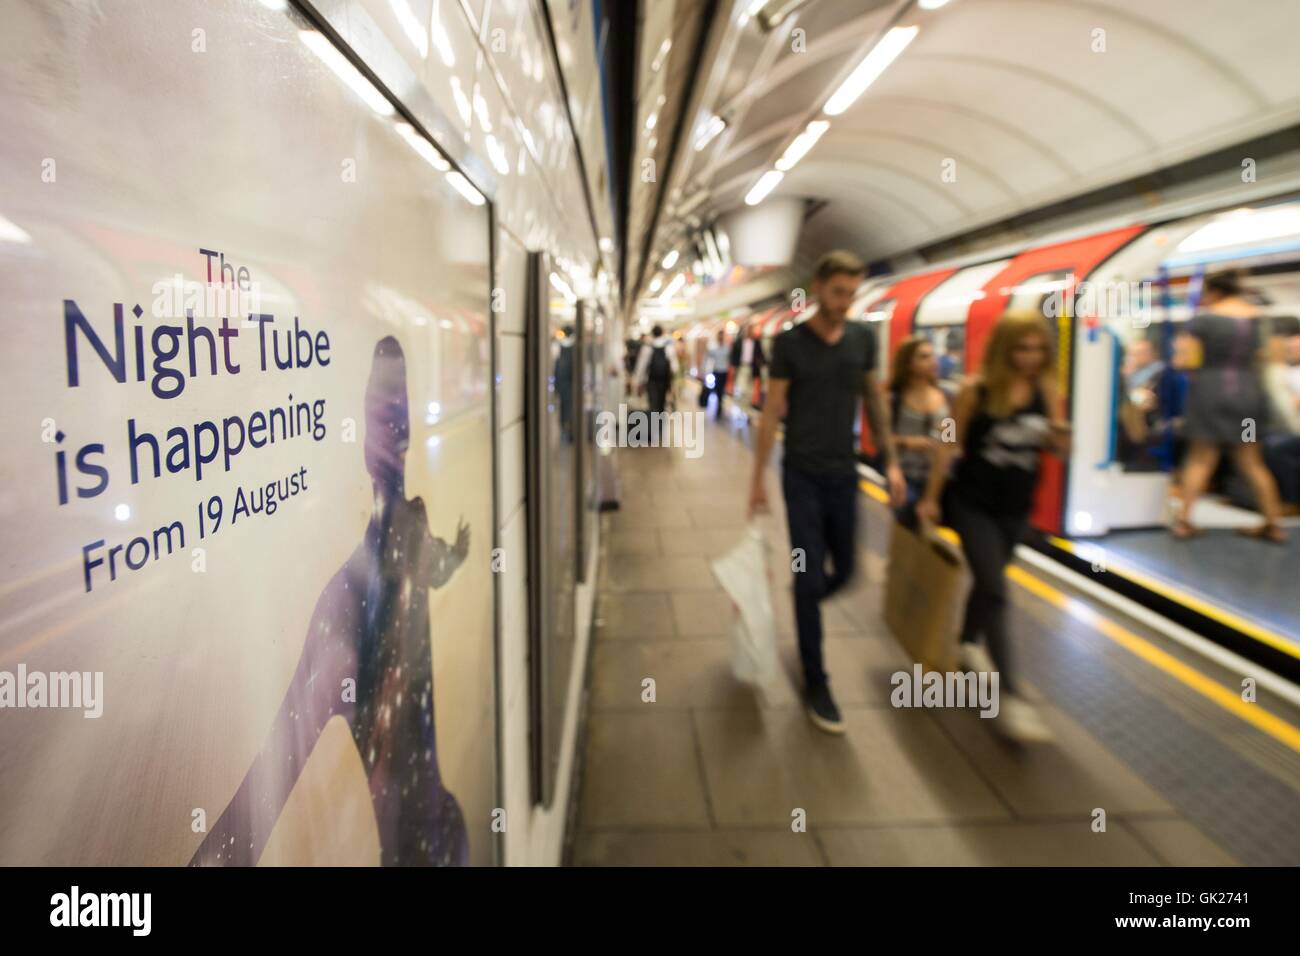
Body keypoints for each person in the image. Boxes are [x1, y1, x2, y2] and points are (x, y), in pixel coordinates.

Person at [191, 336, 472, 865]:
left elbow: (265, 789)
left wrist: (454, 554)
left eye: (397, 421)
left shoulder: (392, 544)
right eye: (390, 420)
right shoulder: (352, 596)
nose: (398, 436)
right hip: (423, 832)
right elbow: (266, 786)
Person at [749, 250, 906, 735]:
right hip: (800, 474)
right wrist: (757, 477)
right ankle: (817, 680)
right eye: (838, 293)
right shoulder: (790, 343)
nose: (844, 303)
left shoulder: (862, 338)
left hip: (845, 473)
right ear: (818, 288)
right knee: (809, 566)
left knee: (849, 568)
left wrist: (893, 461)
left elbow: (874, 399)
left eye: (851, 294)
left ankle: (806, 596)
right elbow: (773, 410)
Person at [916, 312, 1070, 744]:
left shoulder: (1046, 390)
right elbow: (948, 439)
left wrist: (1061, 436)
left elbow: (1057, 447)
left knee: (987, 584)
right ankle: (1012, 696)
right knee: (997, 588)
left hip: (1016, 509)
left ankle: (967, 643)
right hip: (973, 504)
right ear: (1004, 349)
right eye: (1022, 348)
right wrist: (930, 496)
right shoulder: (974, 391)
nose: (1031, 357)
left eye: (1038, 349)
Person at [1170, 271, 1286, 543]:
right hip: (1248, 397)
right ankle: (1273, 524)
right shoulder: (1257, 318)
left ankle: (1184, 521)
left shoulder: (1203, 320)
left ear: (1213, 292)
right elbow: (1268, 355)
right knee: (1251, 460)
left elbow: (1185, 360)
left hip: (1211, 394)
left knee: (1201, 458)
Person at [888, 335, 950, 528]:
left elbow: (951, 438)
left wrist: (947, 442)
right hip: (905, 477)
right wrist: (908, 441)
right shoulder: (894, 398)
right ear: (908, 363)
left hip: (936, 479)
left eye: (932, 356)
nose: (932, 361)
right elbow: (878, 438)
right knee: (909, 525)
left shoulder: (946, 396)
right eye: (923, 357)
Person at [633, 324, 678, 415]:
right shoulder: (668, 347)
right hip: (665, 381)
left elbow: (641, 366)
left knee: (653, 402)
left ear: (652, 334)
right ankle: (660, 423)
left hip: (651, 380)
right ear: (662, 333)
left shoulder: (647, 347)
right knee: (662, 401)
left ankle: (654, 423)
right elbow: (674, 367)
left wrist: (638, 381)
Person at [704, 330, 730, 418]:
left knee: (720, 391)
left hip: (724, 372)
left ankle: (719, 408)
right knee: (713, 389)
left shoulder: (727, 348)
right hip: (715, 371)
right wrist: (705, 370)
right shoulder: (713, 348)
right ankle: (709, 405)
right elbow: (708, 359)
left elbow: (729, 359)